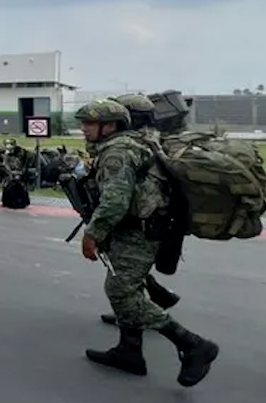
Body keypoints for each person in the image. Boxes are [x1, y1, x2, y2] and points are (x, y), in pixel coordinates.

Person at [74, 98, 219, 386]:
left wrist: (92, 234)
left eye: (90, 123)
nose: (84, 129)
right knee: (127, 284)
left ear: (110, 126)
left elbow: (115, 200)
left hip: (138, 231)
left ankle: (193, 345)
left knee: (121, 291)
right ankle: (129, 351)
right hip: (142, 227)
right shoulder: (129, 143)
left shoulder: (118, 152)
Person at [96, 93, 181, 326]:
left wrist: (96, 230)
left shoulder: (130, 146)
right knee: (125, 275)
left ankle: (189, 343)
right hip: (151, 220)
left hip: (140, 222)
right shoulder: (150, 140)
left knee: (122, 283)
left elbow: (119, 194)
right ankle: (132, 322)